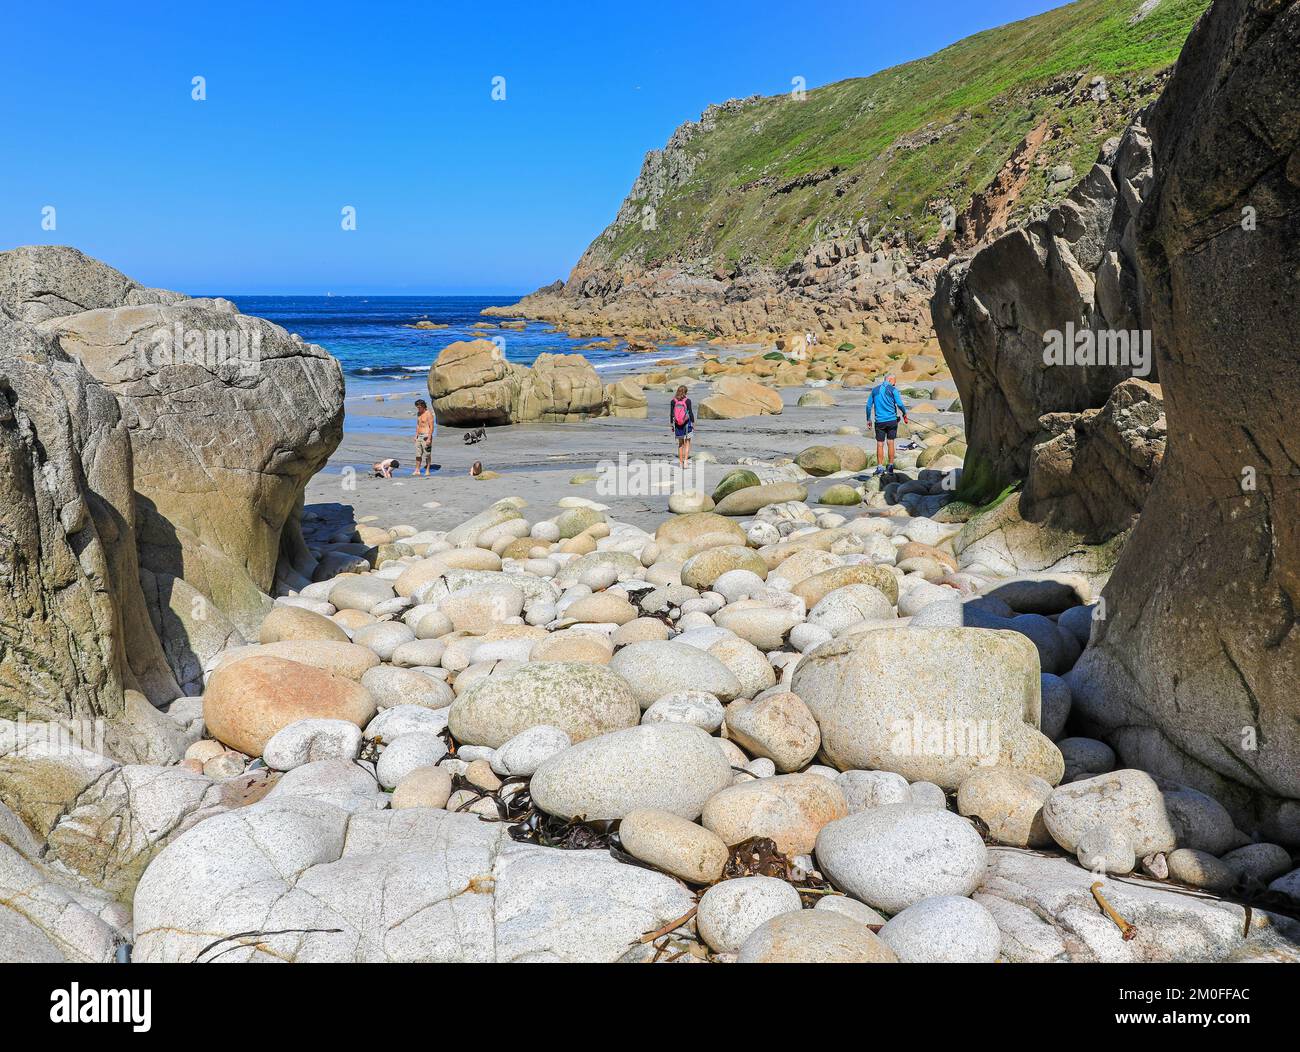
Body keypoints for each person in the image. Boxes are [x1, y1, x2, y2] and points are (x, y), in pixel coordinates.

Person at [866, 373, 908, 474]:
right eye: (894, 383)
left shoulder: (875, 390)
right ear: (890, 380)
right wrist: (904, 412)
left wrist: (868, 419)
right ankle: (890, 466)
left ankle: (880, 467)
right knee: (891, 443)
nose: (894, 385)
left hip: (880, 421)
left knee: (880, 444)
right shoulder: (893, 390)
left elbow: (868, 406)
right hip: (892, 420)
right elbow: (899, 404)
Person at [669, 385, 694, 469]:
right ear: (686, 392)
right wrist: (693, 423)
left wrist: (671, 424)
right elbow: (690, 413)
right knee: (687, 443)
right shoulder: (688, 401)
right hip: (687, 424)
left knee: (680, 444)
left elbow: (671, 414)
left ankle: (680, 463)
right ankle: (686, 462)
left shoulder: (673, 401)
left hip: (677, 425)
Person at [413, 399, 434, 476]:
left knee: (427, 455)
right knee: (418, 454)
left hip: (426, 436)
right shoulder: (418, 414)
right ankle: (417, 470)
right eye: (417, 407)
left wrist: (429, 438)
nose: (418, 409)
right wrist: (416, 435)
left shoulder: (429, 414)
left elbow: (431, 427)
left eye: (419, 407)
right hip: (419, 436)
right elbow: (418, 425)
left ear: (423, 406)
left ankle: (427, 470)